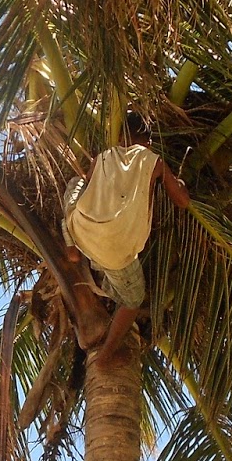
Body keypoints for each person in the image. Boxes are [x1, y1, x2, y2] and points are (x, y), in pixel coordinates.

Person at [62, 143, 190, 359]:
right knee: (133, 300)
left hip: (84, 229)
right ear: (147, 142)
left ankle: (71, 246)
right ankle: (106, 355)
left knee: (76, 183)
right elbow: (182, 201)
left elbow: (90, 183)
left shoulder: (102, 156)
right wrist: (180, 183)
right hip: (115, 245)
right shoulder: (154, 160)